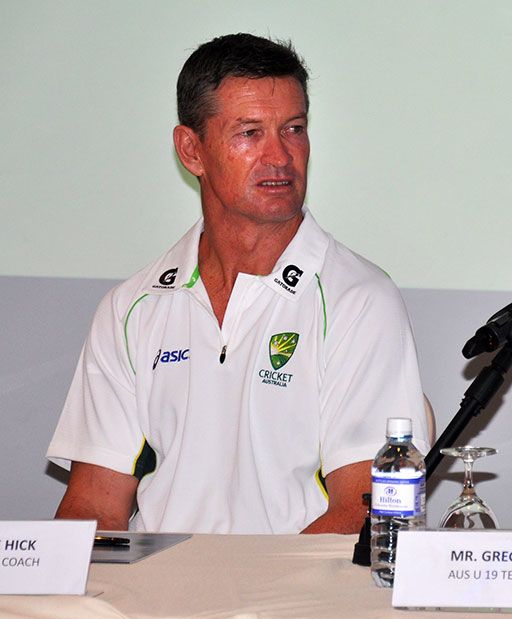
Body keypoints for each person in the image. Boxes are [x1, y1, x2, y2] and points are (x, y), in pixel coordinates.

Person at [47, 33, 429, 534]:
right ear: (192, 150)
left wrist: (234, 599)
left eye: (293, 129)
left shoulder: (358, 299)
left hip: (287, 606)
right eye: (250, 133)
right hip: (153, 603)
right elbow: (93, 505)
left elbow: (363, 509)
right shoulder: (131, 307)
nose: (280, 156)